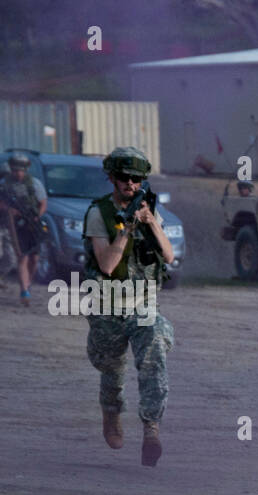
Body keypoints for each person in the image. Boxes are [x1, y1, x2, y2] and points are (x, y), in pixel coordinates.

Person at [82, 146, 176, 466]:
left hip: (142, 303)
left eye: (136, 179)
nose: (130, 185)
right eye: (124, 178)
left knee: (153, 354)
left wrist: (150, 222)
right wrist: (125, 231)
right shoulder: (99, 213)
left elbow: (169, 256)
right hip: (107, 304)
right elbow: (107, 264)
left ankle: (151, 428)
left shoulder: (147, 208)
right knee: (112, 370)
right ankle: (111, 413)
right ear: (111, 178)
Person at [0, 153, 48, 301]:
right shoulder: (2, 185)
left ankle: (24, 283)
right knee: (19, 256)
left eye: (21, 170)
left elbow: (43, 202)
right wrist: (8, 210)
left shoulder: (34, 184)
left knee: (34, 258)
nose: (18, 173)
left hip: (32, 223)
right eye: (15, 170)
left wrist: (37, 215)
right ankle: (24, 290)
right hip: (14, 224)